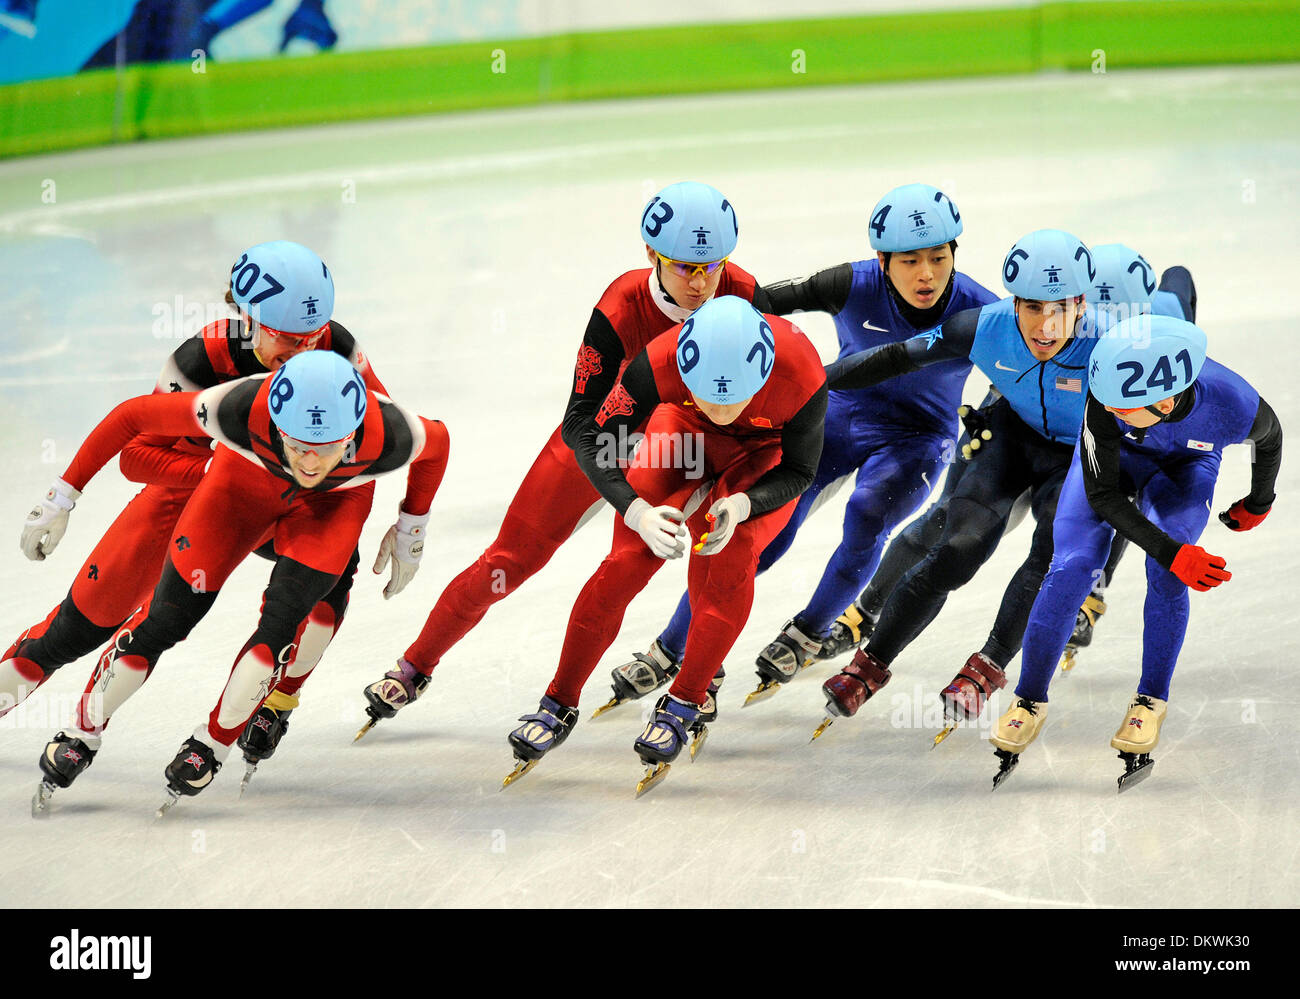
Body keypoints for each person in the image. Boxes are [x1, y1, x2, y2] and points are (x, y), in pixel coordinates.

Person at [354, 182, 770, 738]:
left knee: (707, 555)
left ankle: (700, 674)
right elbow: (579, 420)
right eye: (683, 267)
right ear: (651, 255)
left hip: (685, 448)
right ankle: (415, 665)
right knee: (506, 564)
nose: (699, 283)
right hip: (607, 438)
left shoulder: (743, 293)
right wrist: (626, 490)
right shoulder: (623, 303)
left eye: (711, 267)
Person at [593, 183, 1000, 711]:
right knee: (760, 535)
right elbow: (754, 306)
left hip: (920, 440)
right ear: (881, 260)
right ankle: (675, 644)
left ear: (954, 254)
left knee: (868, 516)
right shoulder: (850, 282)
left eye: (939, 258)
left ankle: (811, 629)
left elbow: (1019, 364)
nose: (926, 274)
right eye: (910, 261)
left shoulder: (980, 309)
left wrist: (989, 410)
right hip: (837, 417)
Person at [7, 241, 386, 780]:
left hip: (275, 495)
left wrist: (408, 517)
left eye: (314, 337)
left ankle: (276, 700)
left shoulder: (335, 349)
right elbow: (136, 456)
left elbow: (382, 426)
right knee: (76, 631)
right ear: (248, 319)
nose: (306, 351)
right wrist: (64, 495)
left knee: (333, 576)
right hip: (189, 495)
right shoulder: (203, 360)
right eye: (289, 339)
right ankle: (79, 727)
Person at [27, 349, 449, 812]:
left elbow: (440, 443)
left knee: (278, 634)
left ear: (352, 434)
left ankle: (211, 745)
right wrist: (60, 497)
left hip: (330, 509)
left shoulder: (392, 432)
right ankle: (83, 732)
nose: (309, 464)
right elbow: (131, 419)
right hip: (240, 488)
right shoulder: (237, 406)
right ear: (274, 423)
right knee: (165, 620)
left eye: (326, 448)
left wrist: (413, 525)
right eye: (297, 446)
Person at [503, 295, 827, 793]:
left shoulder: (802, 372)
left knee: (730, 555)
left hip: (764, 454)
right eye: (709, 396)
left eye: (733, 397)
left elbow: (801, 470)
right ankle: (559, 698)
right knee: (627, 560)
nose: (720, 410)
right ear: (686, 369)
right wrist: (635, 510)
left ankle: (686, 697)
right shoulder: (657, 362)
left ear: (763, 376)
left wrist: (743, 504)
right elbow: (592, 440)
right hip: (680, 431)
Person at [812, 229, 1105, 740]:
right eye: (1031, 307)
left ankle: (988, 665)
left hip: (1081, 454)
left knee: (1053, 553)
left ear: (1081, 302)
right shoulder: (981, 328)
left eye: (1059, 308)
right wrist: (810, 382)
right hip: (1013, 439)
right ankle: (870, 663)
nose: (1044, 325)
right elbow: (894, 357)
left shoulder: (1113, 346)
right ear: (1013, 301)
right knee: (958, 546)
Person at [988, 315, 1281, 790]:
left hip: (1187, 468)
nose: (1107, 411)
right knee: (1072, 567)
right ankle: (1028, 697)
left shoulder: (1233, 401)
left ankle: (1150, 700)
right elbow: (1102, 496)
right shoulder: (1108, 400)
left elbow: (1271, 439)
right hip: (1115, 468)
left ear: (1164, 400)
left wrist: (1259, 501)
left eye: (1124, 409)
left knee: (1167, 576)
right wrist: (1172, 551)